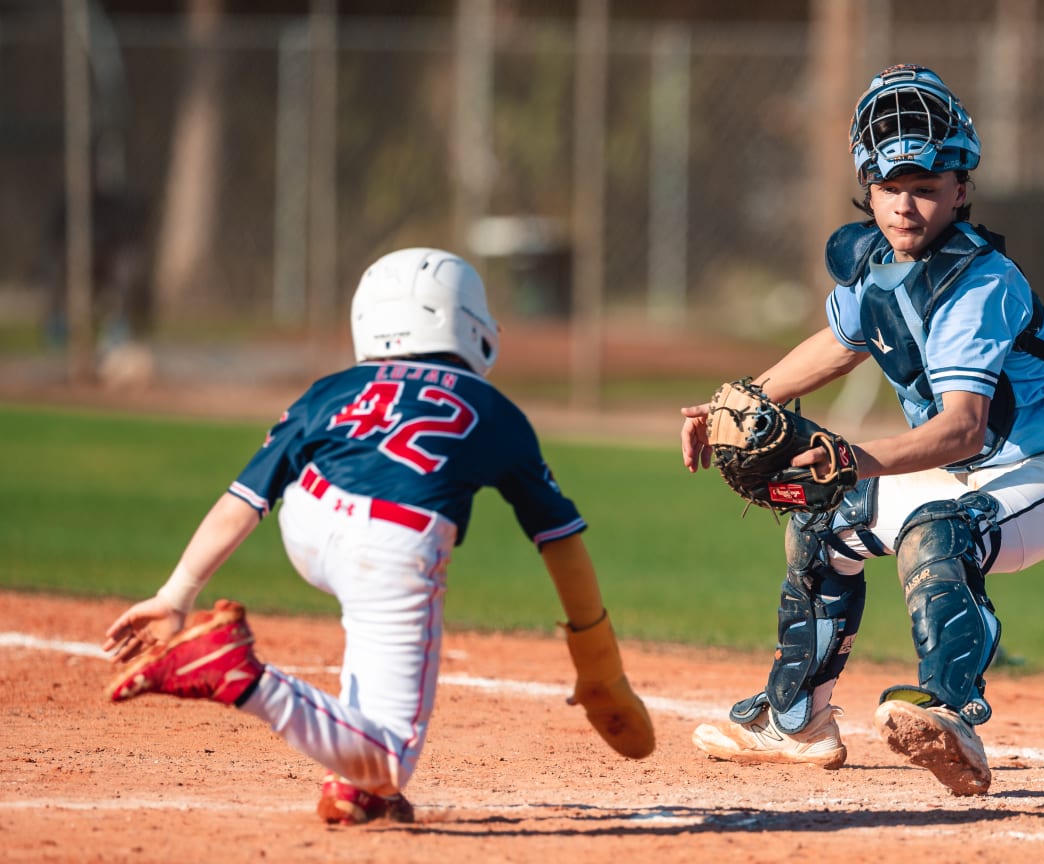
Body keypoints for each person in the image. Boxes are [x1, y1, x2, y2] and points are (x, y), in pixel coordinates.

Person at [678, 65, 1044, 796]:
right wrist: (737, 404)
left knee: (938, 529)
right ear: (867, 187)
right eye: (888, 187)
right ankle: (796, 720)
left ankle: (949, 713)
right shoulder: (879, 267)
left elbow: (963, 430)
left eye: (925, 186)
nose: (905, 205)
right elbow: (837, 344)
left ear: (961, 190)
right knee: (823, 521)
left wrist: (850, 457)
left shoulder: (978, 282)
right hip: (977, 473)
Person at [103, 247, 654, 824]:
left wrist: (176, 594)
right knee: (390, 758)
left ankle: (353, 785)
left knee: (369, 624)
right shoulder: (494, 411)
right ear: (468, 324)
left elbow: (245, 498)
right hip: (396, 539)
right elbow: (558, 539)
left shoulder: (330, 389)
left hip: (307, 520)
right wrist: (598, 667)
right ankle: (239, 676)